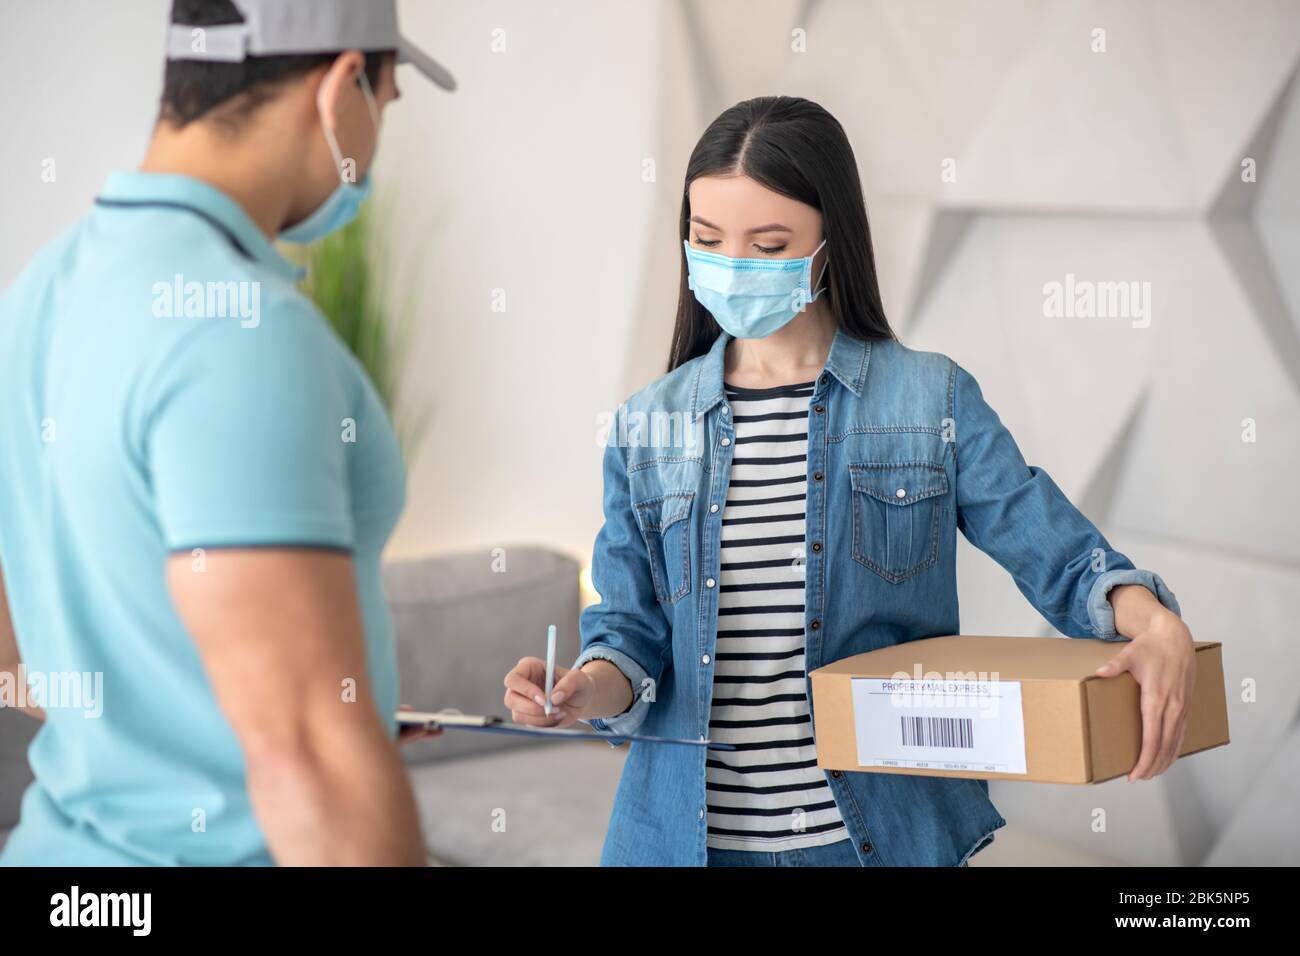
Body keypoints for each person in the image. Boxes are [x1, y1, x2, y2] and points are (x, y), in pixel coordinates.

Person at [502, 96, 1195, 867]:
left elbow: (1055, 552)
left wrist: (1152, 620)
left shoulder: (930, 400)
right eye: (708, 241)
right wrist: (576, 694)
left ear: (830, 245)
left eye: (769, 246)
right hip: (679, 844)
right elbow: (628, 638)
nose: (733, 266)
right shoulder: (646, 428)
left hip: (871, 842)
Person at [0, 0, 454, 865]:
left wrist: (222, 721)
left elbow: (13, 652)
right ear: (341, 87)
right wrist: (314, 726)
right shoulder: (245, 329)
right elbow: (310, 765)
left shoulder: (36, 292)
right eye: (386, 107)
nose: (377, 143)